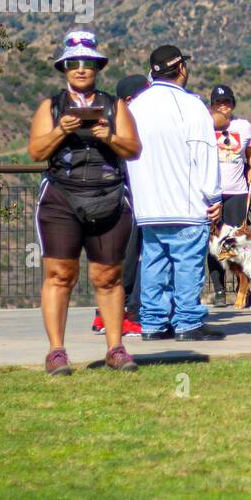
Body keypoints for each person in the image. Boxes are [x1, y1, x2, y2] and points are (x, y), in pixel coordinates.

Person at [28, 30, 141, 375]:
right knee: (60, 274)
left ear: (97, 67)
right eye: (74, 63)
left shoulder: (114, 105)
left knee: (108, 275)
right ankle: (56, 352)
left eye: (88, 63)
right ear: (64, 67)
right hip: (62, 196)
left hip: (107, 195)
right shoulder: (50, 107)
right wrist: (61, 129)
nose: (81, 69)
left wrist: (108, 135)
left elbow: (134, 149)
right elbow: (36, 152)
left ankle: (115, 348)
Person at [126, 45, 226, 341]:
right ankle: (187, 322)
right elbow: (204, 152)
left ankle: (154, 323)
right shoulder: (192, 105)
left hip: (148, 206)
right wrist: (214, 196)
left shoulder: (135, 107)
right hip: (186, 204)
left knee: (154, 263)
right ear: (181, 68)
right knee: (187, 265)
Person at [90, 73, 150, 338]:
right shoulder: (122, 126)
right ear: (129, 100)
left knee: (122, 257)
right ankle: (124, 313)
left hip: (119, 197)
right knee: (129, 257)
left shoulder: (117, 124)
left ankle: (106, 313)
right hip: (126, 198)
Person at [205, 83, 251, 307]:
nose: (223, 106)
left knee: (239, 243)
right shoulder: (204, 125)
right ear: (212, 105)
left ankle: (243, 289)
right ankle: (219, 290)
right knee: (214, 244)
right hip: (211, 192)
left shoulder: (244, 126)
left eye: (227, 101)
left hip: (237, 191)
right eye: (218, 102)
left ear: (233, 103)